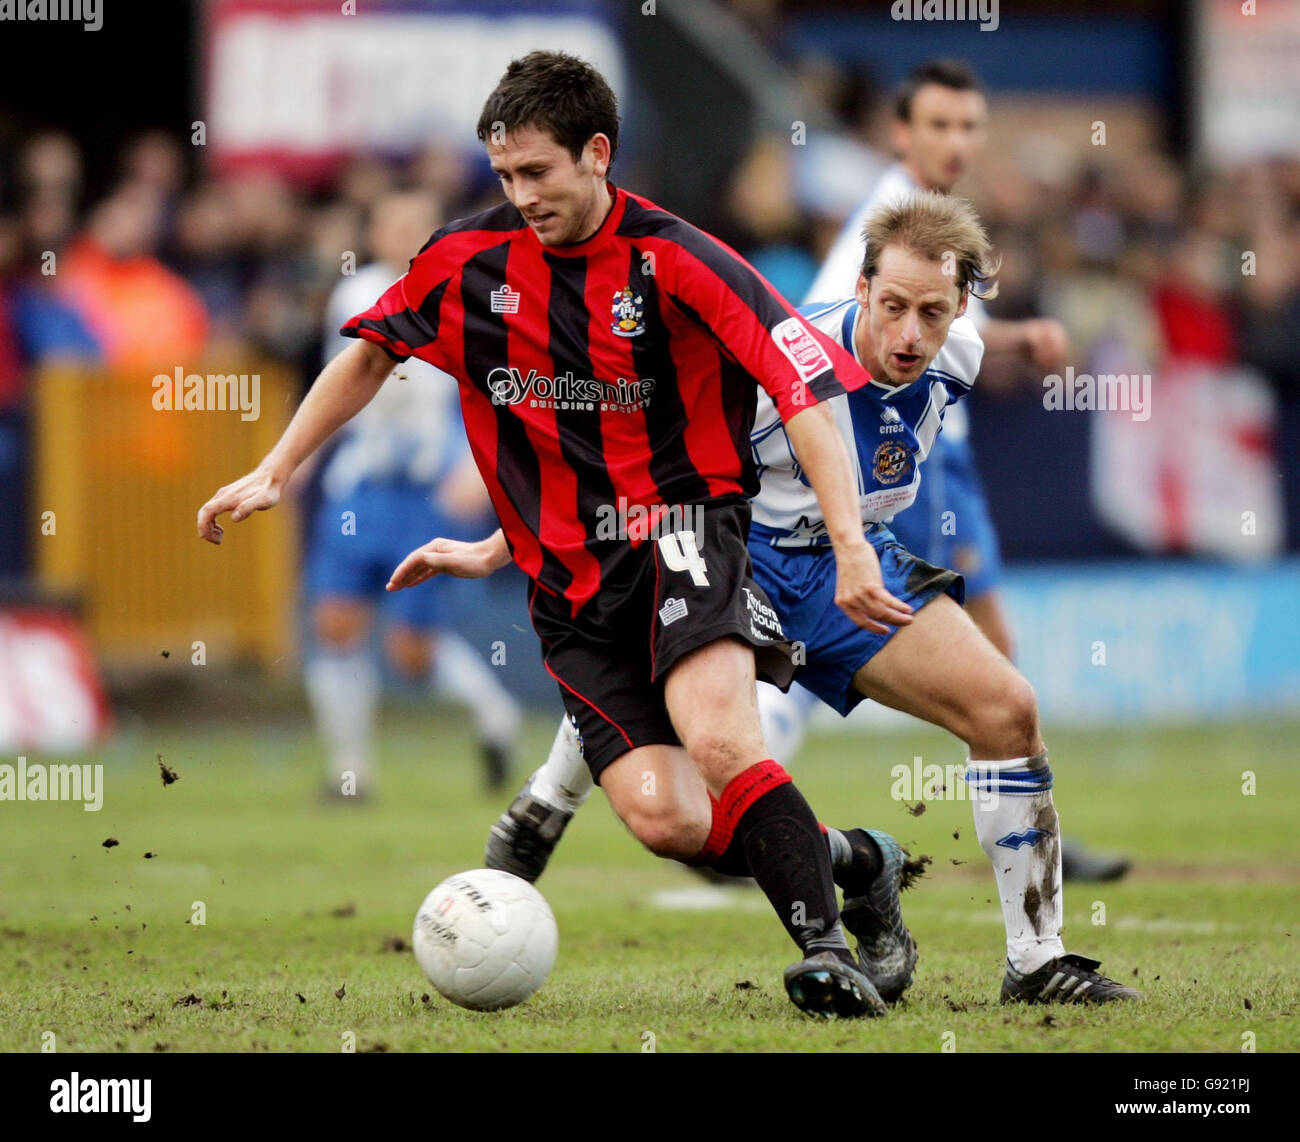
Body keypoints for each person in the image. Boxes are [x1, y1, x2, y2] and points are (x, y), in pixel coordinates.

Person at [199, 51, 906, 1018]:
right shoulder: (468, 263)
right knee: (664, 818)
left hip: (684, 533)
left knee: (724, 742)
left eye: (538, 172)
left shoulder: (681, 259)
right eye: (503, 176)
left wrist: (851, 543)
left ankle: (833, 955)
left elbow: (808, 395)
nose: (519, 193)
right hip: (566, 580)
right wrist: (278, 468)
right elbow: (370, 355)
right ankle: (857, 864)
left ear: (598, 154)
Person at [475, 193, 1140, 1005]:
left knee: (1008, 709)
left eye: (932, 312)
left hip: (849, 565)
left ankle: (1037, 964)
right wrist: (502, 541)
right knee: (679, 818)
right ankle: (565, 797)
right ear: (859, 290)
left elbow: (964, 353)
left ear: (961, 306)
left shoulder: (960, 352)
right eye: (891, 306)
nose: (908, 334)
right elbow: (626, 455)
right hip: (727, 560)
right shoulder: (767, 358)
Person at [804, 58, 1127, 882]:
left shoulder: (936, 222)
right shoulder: (882, 222)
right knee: (958, 652)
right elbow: (819, 332)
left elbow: (949, 334)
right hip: (901, 458)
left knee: (978, 650)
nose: (955, 142)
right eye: (937, 125)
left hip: (941, 454)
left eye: (968, 126)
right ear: (901, 133)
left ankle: (1033, 829)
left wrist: (1016, 339)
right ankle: (1035, 837)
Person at [304, 188, 521, 797]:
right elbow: (339, 385)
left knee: (412, 652)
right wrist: (294, 460)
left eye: (415, 224)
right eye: (392, 224)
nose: (403, 236)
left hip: (429, 486)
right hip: (363, 484)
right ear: (374, 232)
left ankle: (495, 717)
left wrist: (478, 469)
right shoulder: (353, 295)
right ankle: (351, 772)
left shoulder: (469, 293)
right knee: (336, 621)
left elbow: (499, 386)